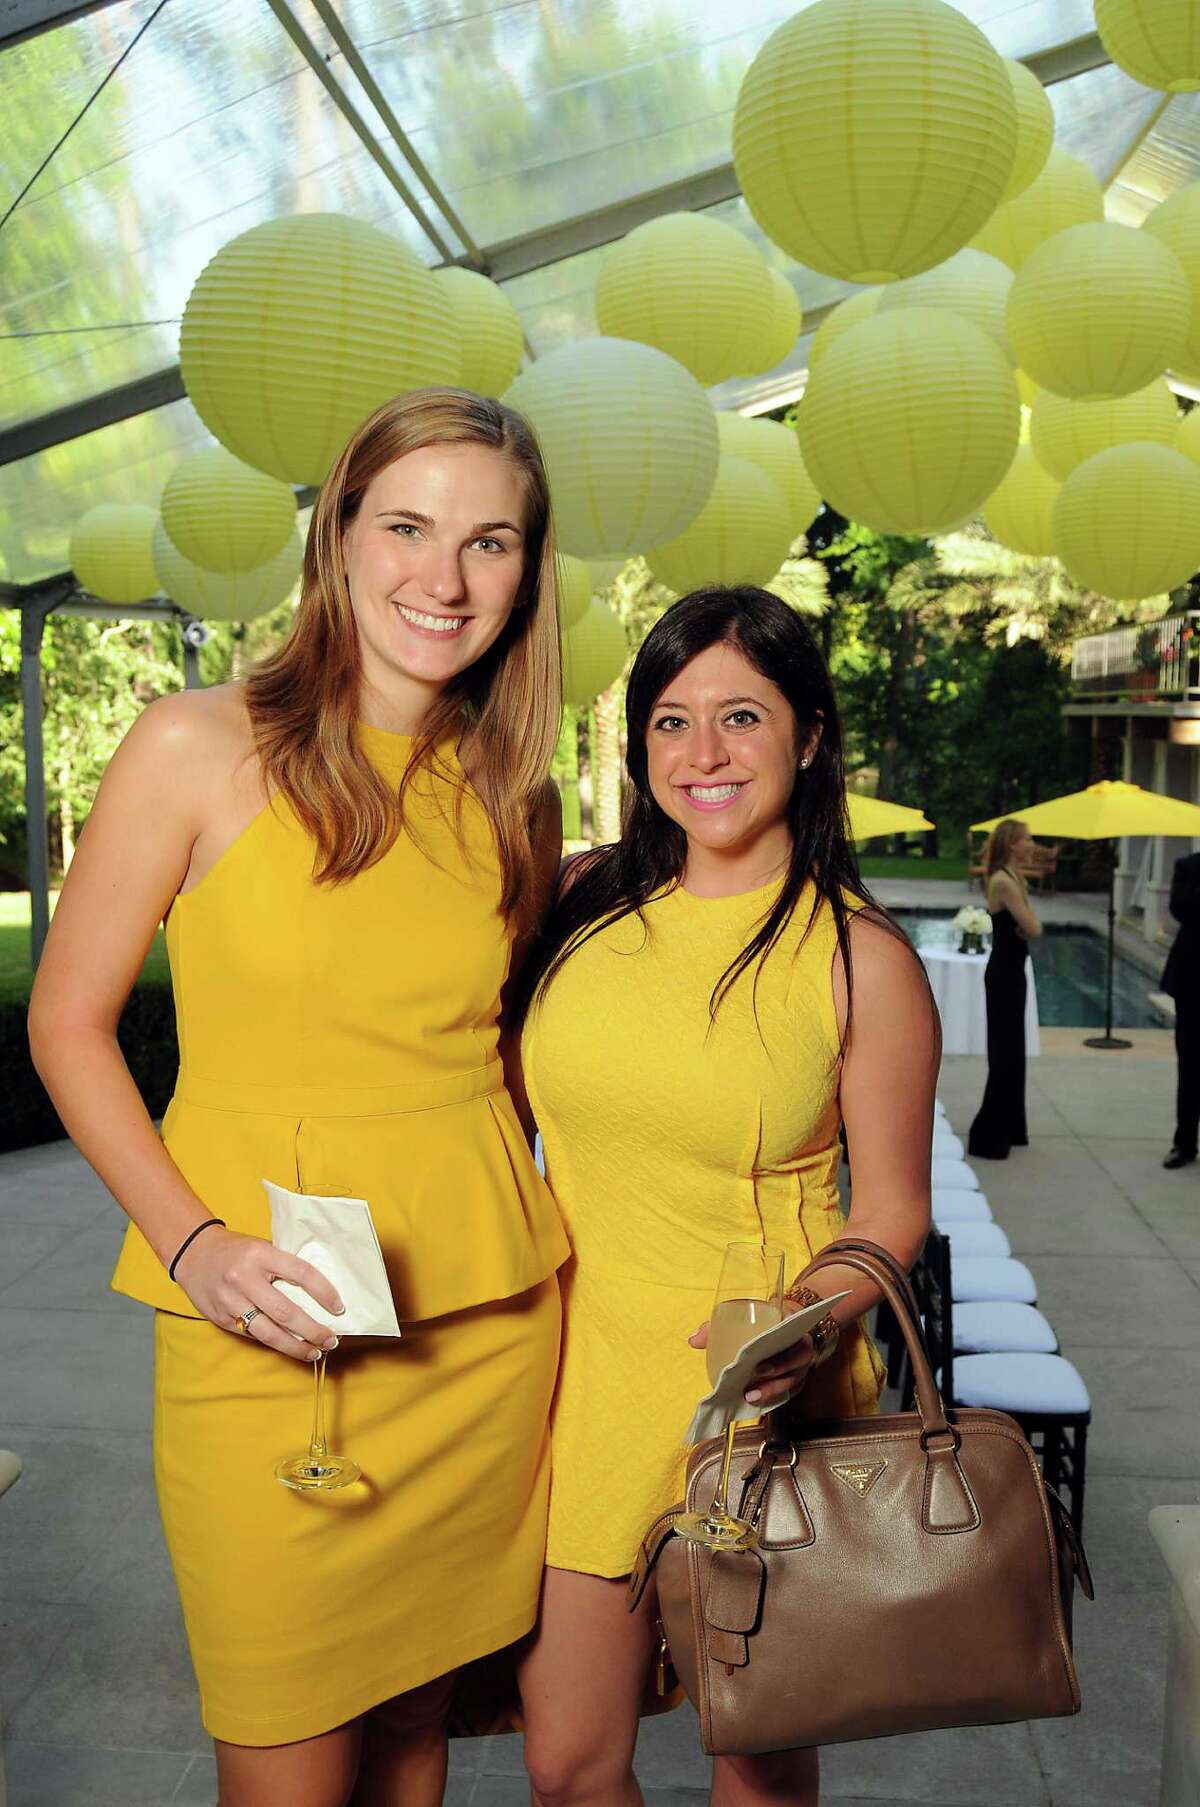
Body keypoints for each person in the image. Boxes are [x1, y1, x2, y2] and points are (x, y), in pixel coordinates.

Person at [28, 388, 569, 1807]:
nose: (442, 578)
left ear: (529, 568)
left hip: (483, 1342)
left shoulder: (518, 789)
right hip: (265, 1328)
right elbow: (69, 1023)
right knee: (283, 1756)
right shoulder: (193, 744)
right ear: (336, 536)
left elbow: (503, 1062)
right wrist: (194, 1246)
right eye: (406, 525)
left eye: (490, 541)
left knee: (411, 1756)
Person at [513, 587, 938, 1807]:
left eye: (740, 717)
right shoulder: (585, 905)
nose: (701, 755)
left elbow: (892, 1209)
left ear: (808, 737)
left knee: (752, 1755)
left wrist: (802, 1327)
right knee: (568, 1762)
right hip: (580, 1374)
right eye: (669, 720)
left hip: (751, 1394)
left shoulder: (860, 956)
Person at [967, 818, 1042, 1162]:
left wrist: (1027, 926)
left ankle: (1012, 1126)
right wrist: (1028, 926)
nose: (1032, 844)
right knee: (1004, 1052)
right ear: (1013, 843)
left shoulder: (1014, 877)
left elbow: (1028, 926)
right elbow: (1033, 927)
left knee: (1013, 1049)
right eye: (1027, 839)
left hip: (1013, 971)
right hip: (1003, 976)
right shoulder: (1003, 880)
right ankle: (988, 1134)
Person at [1161, 849, 1200, 1168]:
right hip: (1192, 978)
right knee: (1190, 1063)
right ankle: (1184, 1143)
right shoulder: (1188, 865)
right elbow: (1180, 908)